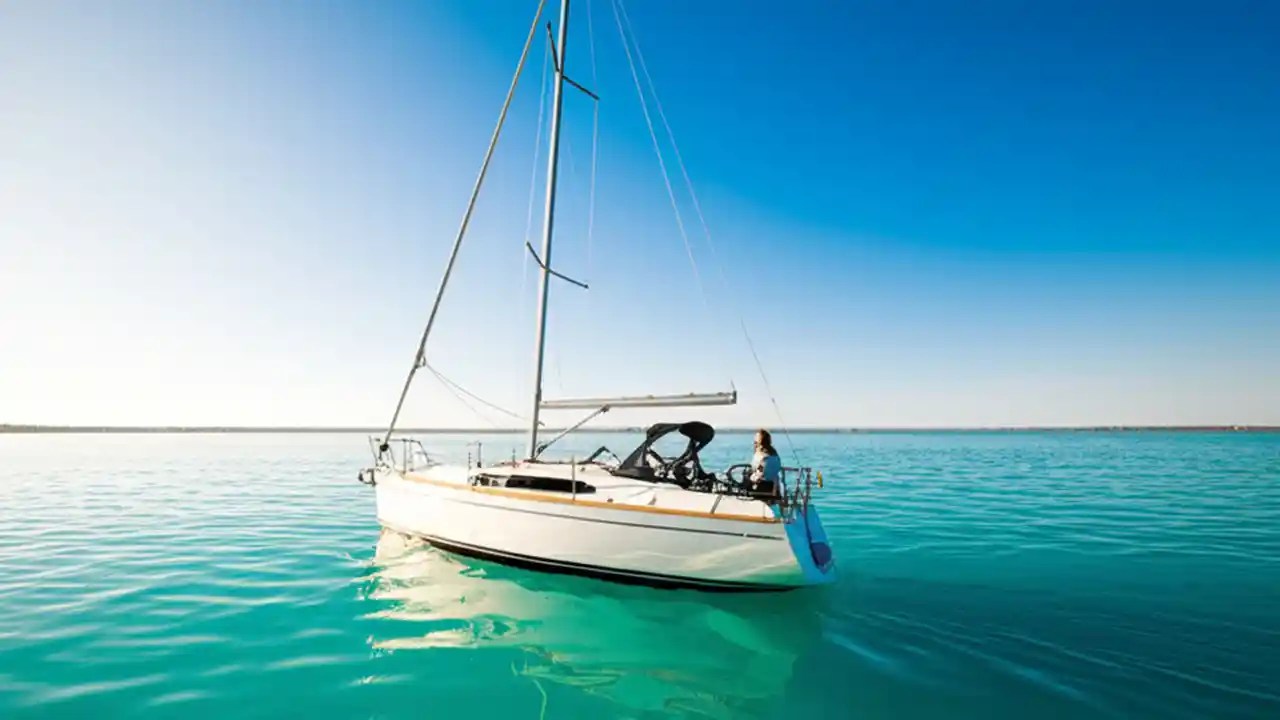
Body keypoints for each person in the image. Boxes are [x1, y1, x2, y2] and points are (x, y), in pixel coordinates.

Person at [750, 429, 782, 497]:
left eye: (755, 442)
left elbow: (756, 469)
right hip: (774, 488)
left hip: (761, 487)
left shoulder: (760, 454)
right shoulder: (774, 454)